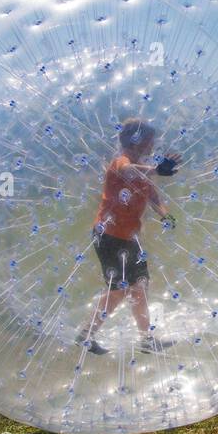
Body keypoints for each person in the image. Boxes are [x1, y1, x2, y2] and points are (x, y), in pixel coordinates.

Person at [81, 118, 181, 355]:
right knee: (119, 289)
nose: (152, 145)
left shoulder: (141, 167)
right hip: (109, 236)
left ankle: (146, 339)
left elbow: (152, 195)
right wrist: (156, 169)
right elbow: (127, 171)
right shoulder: (121, 162)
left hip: (128, 237)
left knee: (139, 285)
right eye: (150, 141)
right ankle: (86, 334)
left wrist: (164, 214)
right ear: (140, 141)